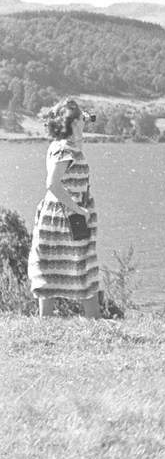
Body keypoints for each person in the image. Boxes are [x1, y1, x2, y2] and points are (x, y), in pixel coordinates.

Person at [27, 97, 101, 319]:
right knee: (83, 268)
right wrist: (79, 210)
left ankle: (46, 321)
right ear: (75, 123)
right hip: (68, 217)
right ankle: (94, 322)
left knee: (50, 267)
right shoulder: (65, 150)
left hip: (56, 215)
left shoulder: (59, 146)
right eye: (81, 120)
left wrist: (77, 128)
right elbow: (52, 184)